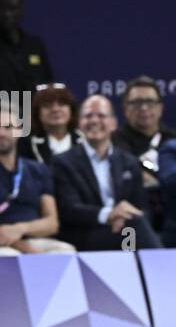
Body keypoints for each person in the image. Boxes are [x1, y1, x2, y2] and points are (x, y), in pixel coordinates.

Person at [50, 95, 161, 252]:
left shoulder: (129, 162)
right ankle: (167, 273)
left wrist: (125, 218)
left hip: (124, 233)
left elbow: (142, 207)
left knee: (135, 229)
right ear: (79, 123)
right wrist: (109, 215)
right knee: (135, 230)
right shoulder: (62, 162)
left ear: (113, 124)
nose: (94, 121)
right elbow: (69, 209)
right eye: (88, 116)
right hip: (84, 237)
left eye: (101, 115)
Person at [0, 105, 73, 255]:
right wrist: (22, 246)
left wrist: (20, 229)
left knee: (66, 252)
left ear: (19, 130)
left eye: (8, 127)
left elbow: (52, 223)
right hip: (2, 245)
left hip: (37, 239)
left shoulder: (38, 170)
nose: (2, 133)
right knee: (7, 256)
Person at [24, 83, 79, 165]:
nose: (55, 109)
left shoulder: (85, 141)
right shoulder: (27, 146)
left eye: (61, 104)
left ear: (71, 110)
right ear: (37, 113)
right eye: (47, 105)